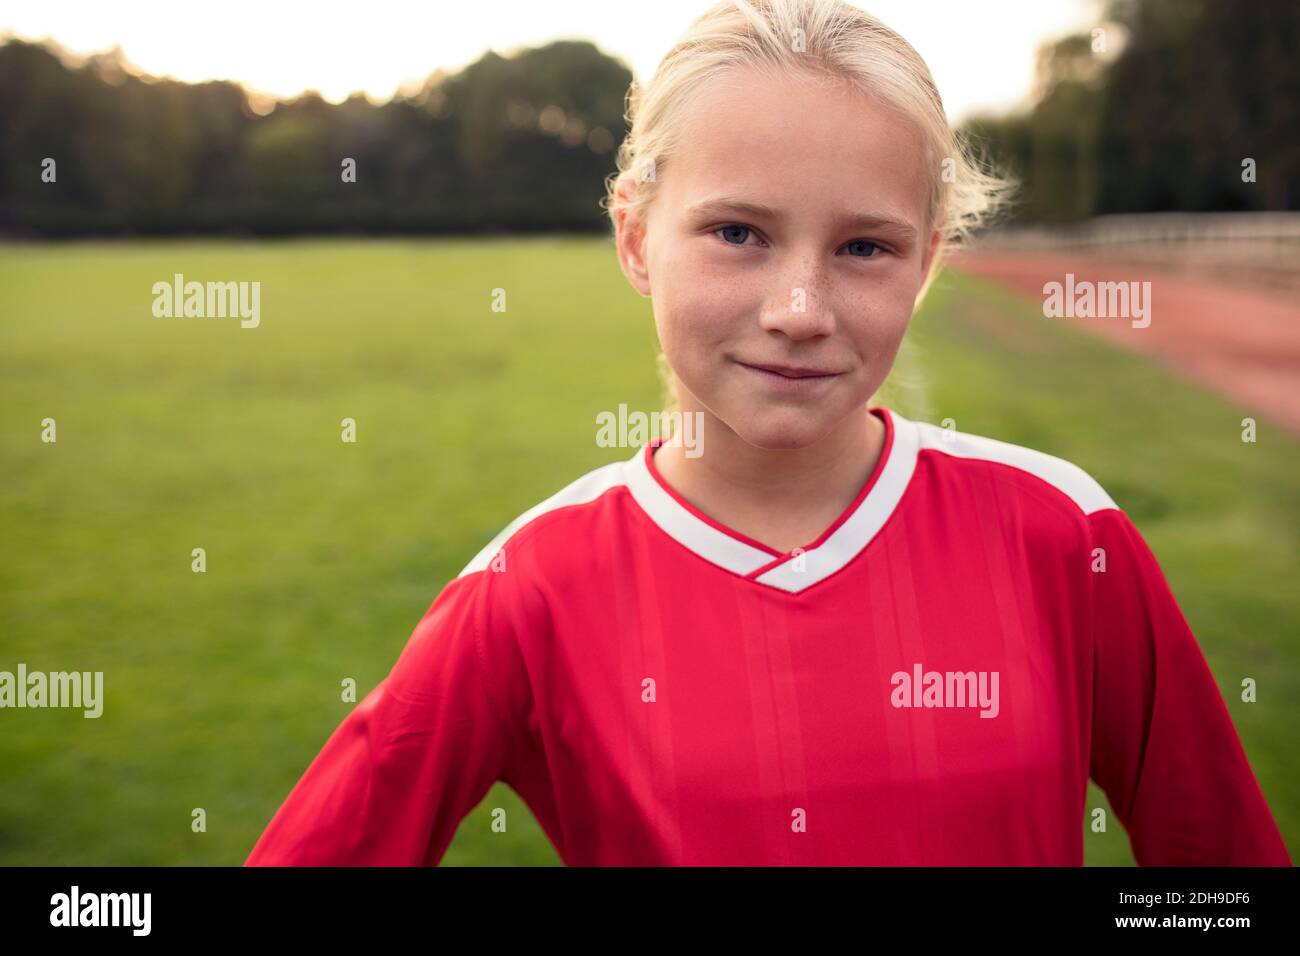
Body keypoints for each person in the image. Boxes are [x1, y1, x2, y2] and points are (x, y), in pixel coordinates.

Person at [245, 0, 1291, 866]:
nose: (799, 305)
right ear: (635, 236)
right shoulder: (530, 589)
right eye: (737, 232)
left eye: (864, 247)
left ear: (926, 261)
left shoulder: (1063, 533)